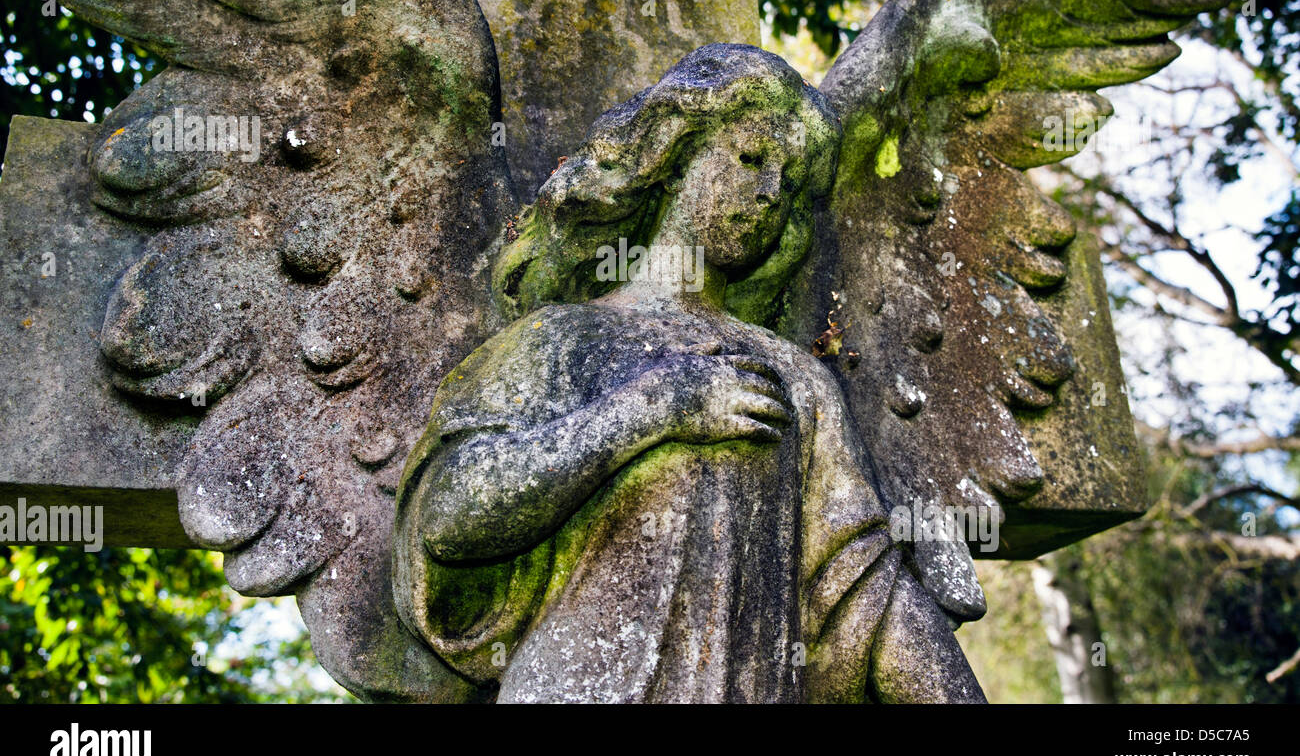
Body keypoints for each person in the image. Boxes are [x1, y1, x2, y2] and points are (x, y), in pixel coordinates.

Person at [392, 44, 984, 703]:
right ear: (673, 160)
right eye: (751, 159)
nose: (767, 194)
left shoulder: (795, 378)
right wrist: (653, 410)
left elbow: (869, 593)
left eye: (787, 183)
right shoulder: (565, 341)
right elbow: (448, 517)